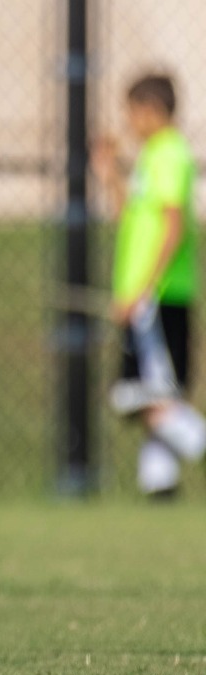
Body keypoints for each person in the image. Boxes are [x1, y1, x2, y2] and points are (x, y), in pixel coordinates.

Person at [94, 73, 206, 496]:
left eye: (132, 112)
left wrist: (143, 289)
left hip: (158, 296)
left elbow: (173, 227)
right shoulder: (149, 157)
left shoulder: (170, 155)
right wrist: (108, 173)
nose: (128, 122)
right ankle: (160, 488)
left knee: (137, 395)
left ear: (151, 111)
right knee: (152, 396)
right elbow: (132, 216)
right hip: (141, 295)